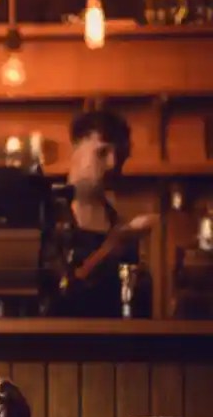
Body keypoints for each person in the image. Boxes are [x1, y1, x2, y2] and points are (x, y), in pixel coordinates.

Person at [51, 110, 158, 318]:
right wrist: (112, 247)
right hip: (58, 344)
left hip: (112, 344)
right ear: (75, 148)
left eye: (120, 156)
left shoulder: (120, 222)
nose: (112, 164)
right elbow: (60, 291)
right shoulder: (49, 216)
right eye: (101, 153)